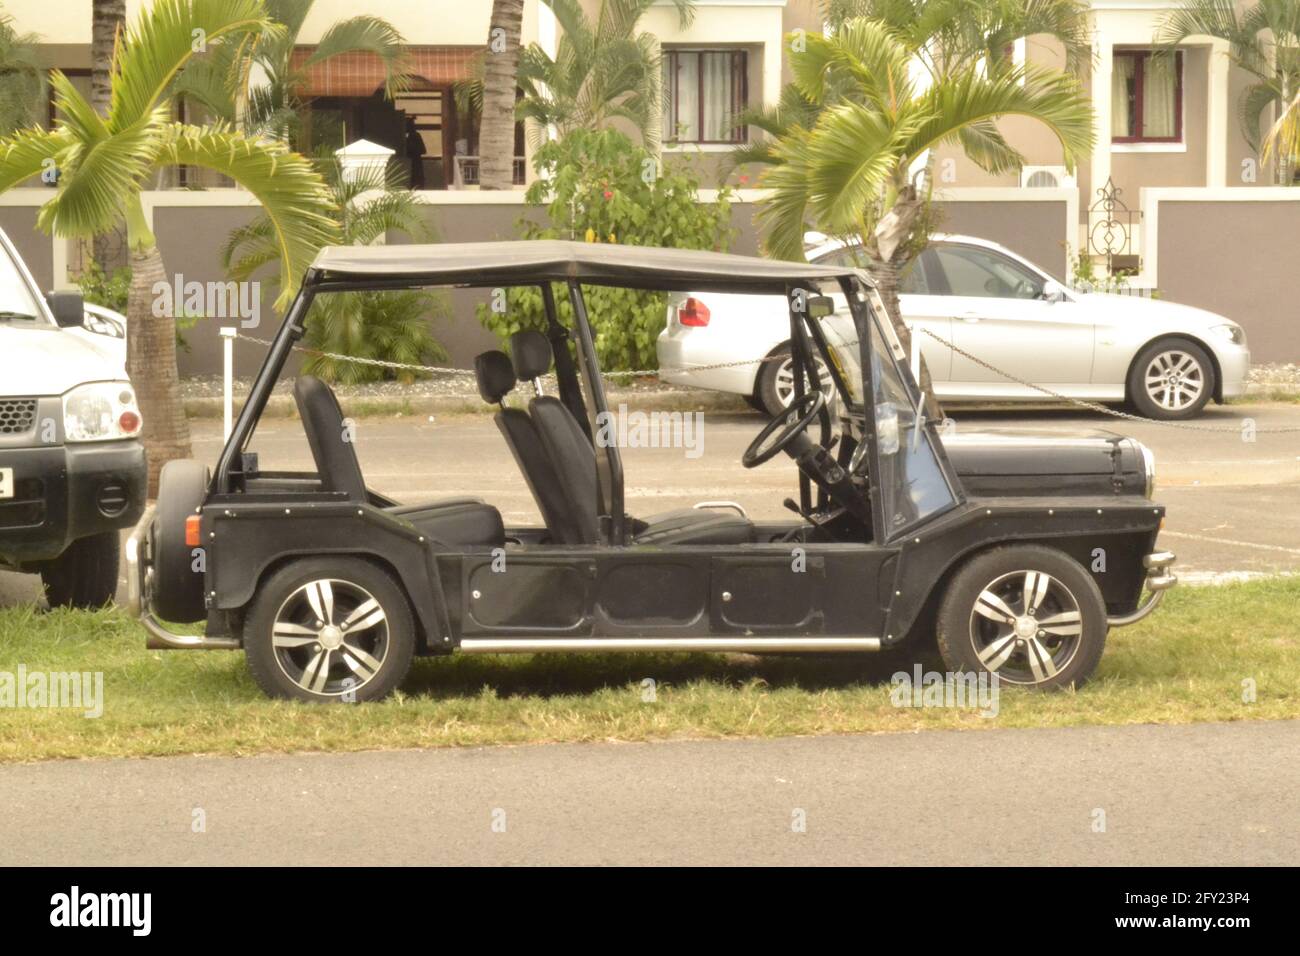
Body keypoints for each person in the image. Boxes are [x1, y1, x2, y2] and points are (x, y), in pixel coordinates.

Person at [404, 116, 426, 189]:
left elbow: (423, 150)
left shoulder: (416, 135)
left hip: (416, 160)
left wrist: (413, 150)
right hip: (408, 160)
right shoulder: (404, 137)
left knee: (417, 176)